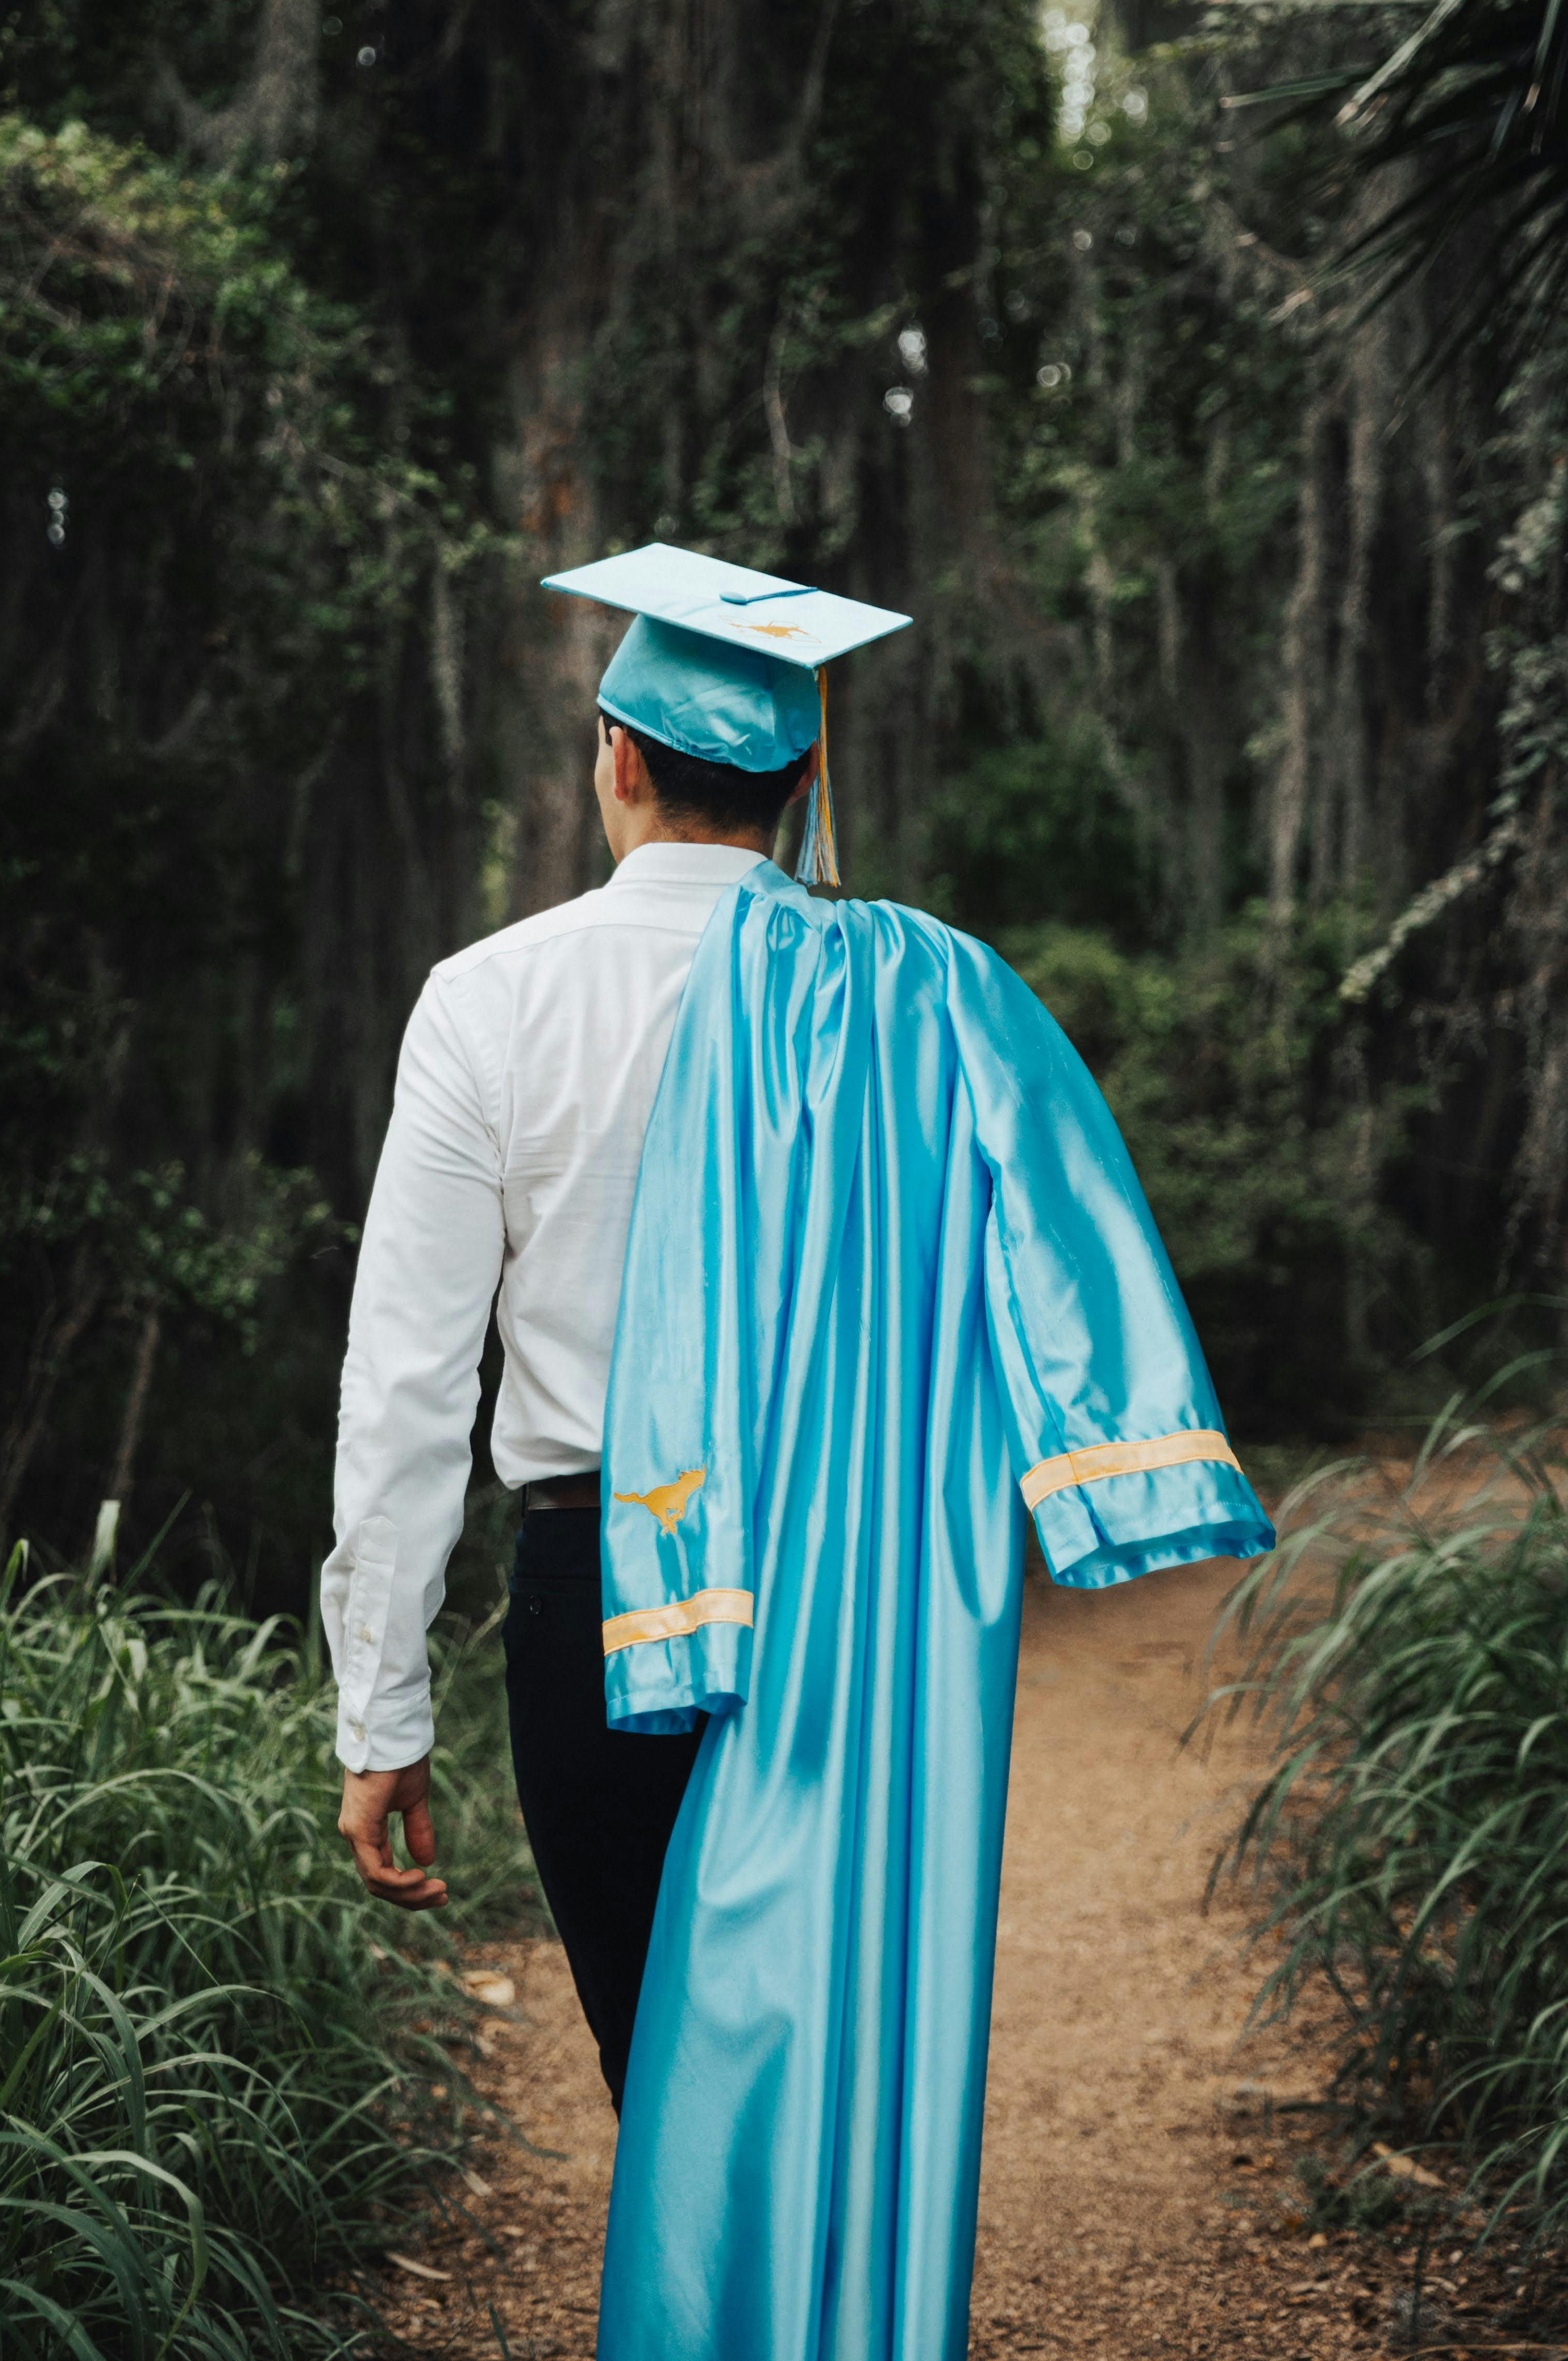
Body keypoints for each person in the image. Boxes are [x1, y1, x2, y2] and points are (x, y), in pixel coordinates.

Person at [326, 544, 1275, 2358]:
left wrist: (380, 1709)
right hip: (860, 1617)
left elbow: (405, 1386)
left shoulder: (489, 999)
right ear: (798, 785)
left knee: (662, 2084)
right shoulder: (934, 995)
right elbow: (1058, 1245)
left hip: (594, 1594)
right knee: (827, 2066)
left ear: (612, 755)